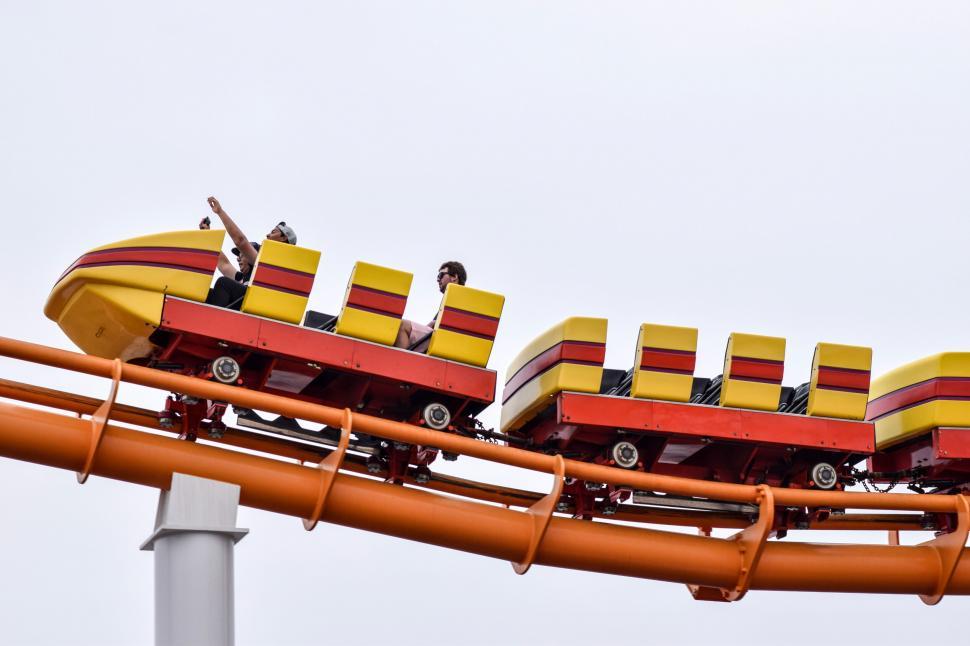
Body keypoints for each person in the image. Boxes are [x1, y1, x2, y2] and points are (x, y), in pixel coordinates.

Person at [201, 196, 298, 309]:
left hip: (260, 306)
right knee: (208, 293)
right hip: (245, 305)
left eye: (242, 254)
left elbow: (240, 241)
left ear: (283, 238)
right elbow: (223, 264)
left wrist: (220, 212)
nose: (238, 258)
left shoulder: (270, 265)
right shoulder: (243, 278)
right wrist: (207, 234)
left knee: (223, 283)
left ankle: (211, 319)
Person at [394, 261, 467, 350]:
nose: (438, 280)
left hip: (442, 340)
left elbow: (446, 325)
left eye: (441, 275)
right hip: (442, 339)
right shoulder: (454, 301)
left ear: (454, 277)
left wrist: (432, 323)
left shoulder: (461, 300)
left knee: (402, 325)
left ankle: (400, 361)